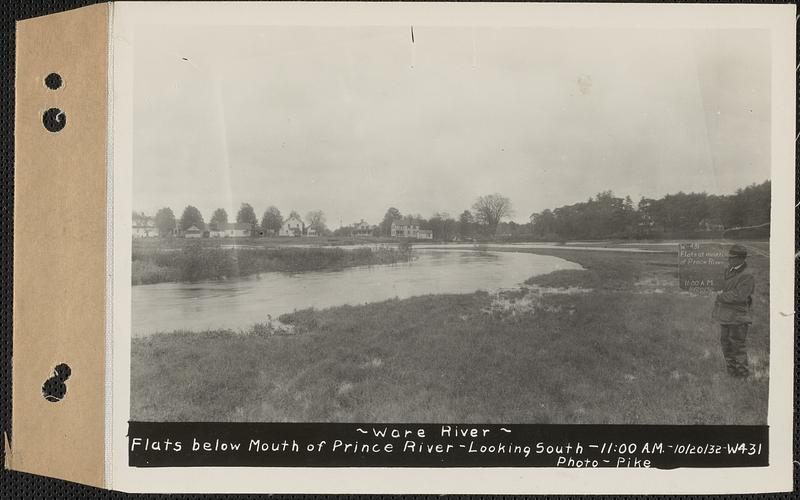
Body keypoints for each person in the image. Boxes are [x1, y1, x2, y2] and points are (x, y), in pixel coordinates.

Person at [712, 244, 755, 378]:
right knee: (726, 344)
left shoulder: (747, 275)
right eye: (730, 257)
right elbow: (725, 288)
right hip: (726, 315)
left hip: (738, 317)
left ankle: (741, 376)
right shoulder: (729, 270)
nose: (729, 260)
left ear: (741, 258)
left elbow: (739, 295)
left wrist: (720, 295)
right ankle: (732, 374)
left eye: (732, 258)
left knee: (737, 346)